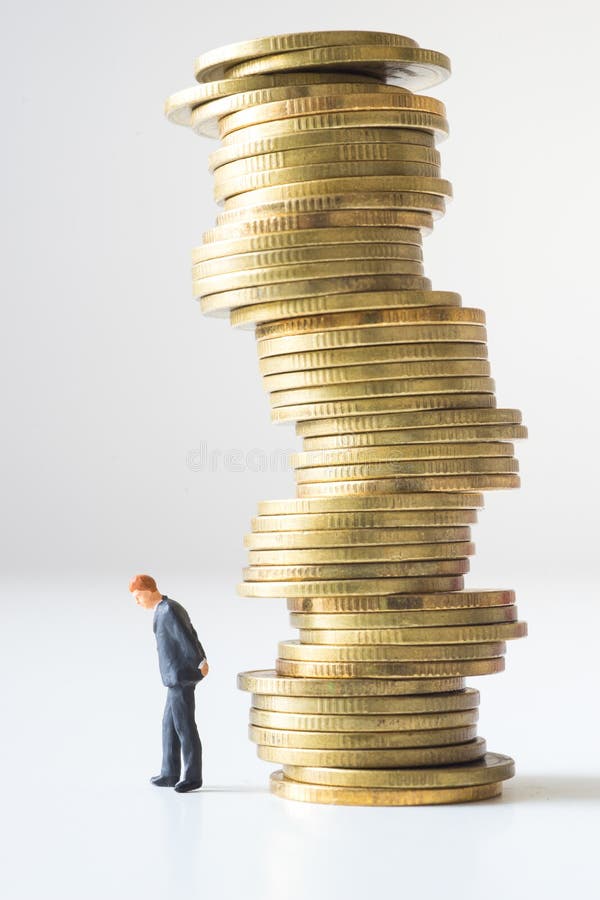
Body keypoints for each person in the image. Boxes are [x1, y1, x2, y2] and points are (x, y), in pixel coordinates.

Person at [129, 574, 209, 793]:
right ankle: (170, 772)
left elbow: (187, 636)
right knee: (168, 725)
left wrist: (200, 660)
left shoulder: (169, 610)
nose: (137, 602)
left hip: (181, 676)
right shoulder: (163, 609)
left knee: (185, 727)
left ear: (148, 591)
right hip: (173, 677)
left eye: (137, 597)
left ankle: (193, 776)